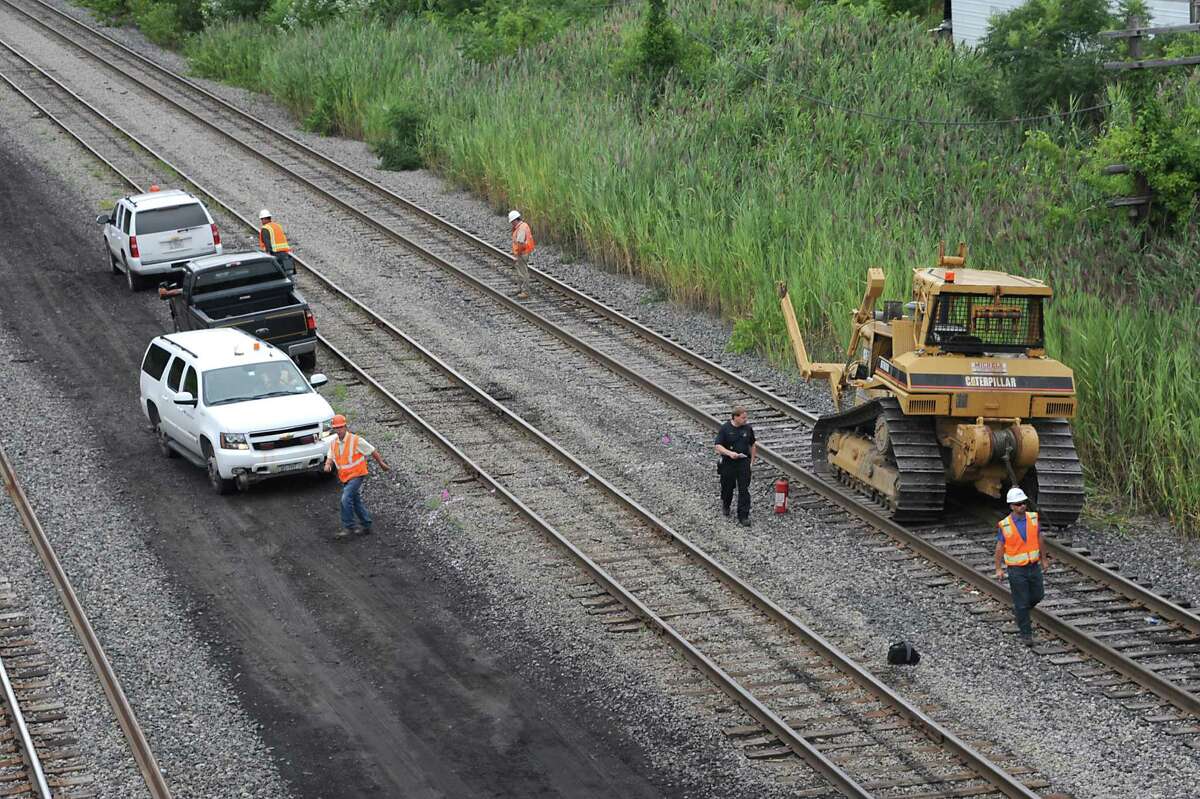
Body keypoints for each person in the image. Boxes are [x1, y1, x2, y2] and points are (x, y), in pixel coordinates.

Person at [994, 487, 1049, 646]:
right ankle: (1026, 634)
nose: (1022, 506)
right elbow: (999, 547)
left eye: (1023, 503)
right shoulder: (1005, 525)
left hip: (1033, 566)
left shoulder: (1033, 519)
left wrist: (1044, 559)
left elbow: (1040, 539)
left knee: (1038, 595)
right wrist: (998, 568)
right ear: (1011, 506)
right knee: (1022, 602)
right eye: (1018, 504)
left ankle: (1021, 612)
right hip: (1016, 570)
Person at [324, 414, 390, 539]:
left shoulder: (356, 440)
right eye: (336, 428)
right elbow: (330, 456)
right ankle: (366, 525)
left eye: (341, 427)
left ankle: (348, 526)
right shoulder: (334, 444)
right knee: (355, 501)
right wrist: (328, 465)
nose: (339, 430)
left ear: (345, 427)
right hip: (345, 477)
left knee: (345, 498)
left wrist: (381, 463)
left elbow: (371, 450)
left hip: (357, 474)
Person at [713, 407, 756, 527]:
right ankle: (726, 504)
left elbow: (752, 445)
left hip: (743, 462)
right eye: (743, 417)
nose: (745, 420)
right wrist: (730, 453)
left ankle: (743, 515)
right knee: (727, 486)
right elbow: (718, 446)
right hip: (729, 462)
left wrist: (751, 462)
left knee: (744, 489)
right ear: (735, 417)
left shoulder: (748, 429)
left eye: (746, 417)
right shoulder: (725, 428)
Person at [508, 210, 535, 299]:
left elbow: (520, 243)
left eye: (512, 222)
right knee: (520, 271)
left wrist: (517, 255)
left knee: (523, 272)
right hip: (524, 252)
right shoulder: (524, 226)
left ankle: (525, 291)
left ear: (515, 220)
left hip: (522, 253)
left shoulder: (521, 229)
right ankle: (520, 288)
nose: (512, 224)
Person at [258, 209, 295, 275]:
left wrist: (268, 255)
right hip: (285, 253)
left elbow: (267, 243)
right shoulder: (277, 226)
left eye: (261, 219)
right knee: (288, 273)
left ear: (264, 219)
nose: (261, 221)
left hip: (275, 254)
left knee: (277, 274)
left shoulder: (265, 228)